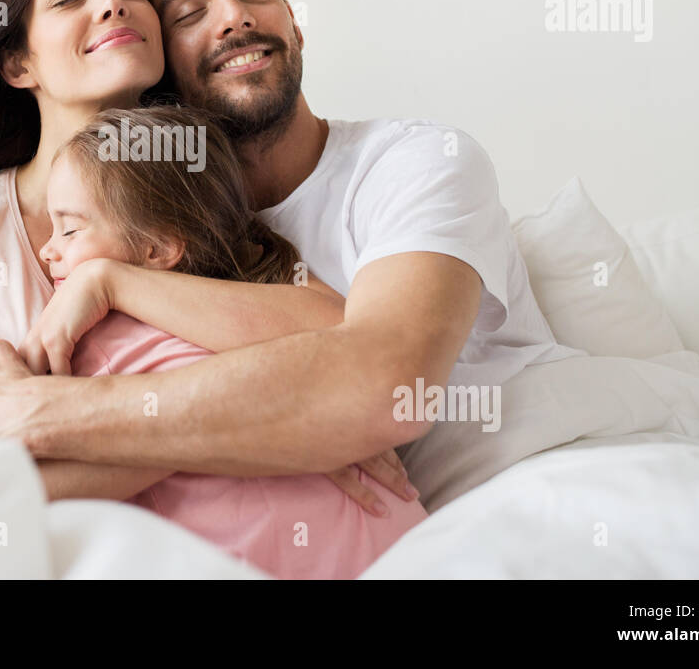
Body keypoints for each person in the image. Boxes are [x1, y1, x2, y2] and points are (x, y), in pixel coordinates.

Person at [0, 0, 586, 482]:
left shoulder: (414, 160)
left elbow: (391, 385)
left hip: (544, 460)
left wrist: (40, 409)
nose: (234, 16)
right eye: (188, 12)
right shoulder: (171, 244)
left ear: (295, 24)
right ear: (160, 64)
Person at [0, 0, 414, 515]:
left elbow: (332, 333)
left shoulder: (190, 181)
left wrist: (111, 282)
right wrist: (274, 429)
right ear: (18, 64)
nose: (112, 6)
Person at [36, 105, 427, 579]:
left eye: (70, 228)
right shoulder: (256, 302)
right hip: (404, 542)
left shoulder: (94, 333)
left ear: (158, 249)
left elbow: (343, 330)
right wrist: (275, 431)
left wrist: (105, 280)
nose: (47, 249)